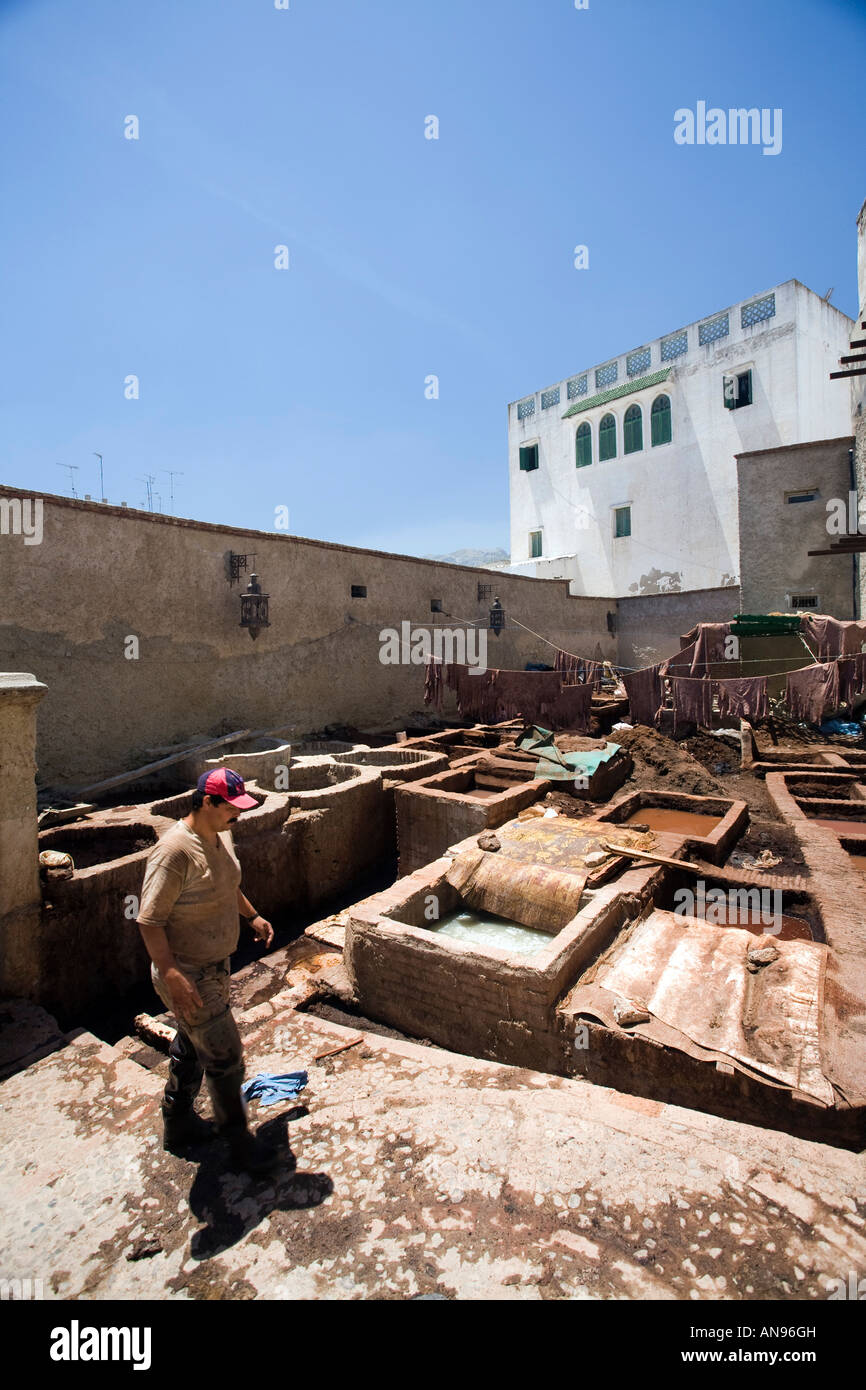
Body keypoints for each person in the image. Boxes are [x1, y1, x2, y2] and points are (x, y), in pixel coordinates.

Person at [136, 767, 278, 1173]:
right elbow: (149, 920)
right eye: (232, 808)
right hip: (188, 973)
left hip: (217, 966)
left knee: (192, 1042)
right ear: (207, 803)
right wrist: (171, 973)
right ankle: (239, 1145)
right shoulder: (174, 851)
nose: (240, 815)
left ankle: (177, 1123)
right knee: (226, 1055)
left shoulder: (222, 834)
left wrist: (252, 916)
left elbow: (224, 884)